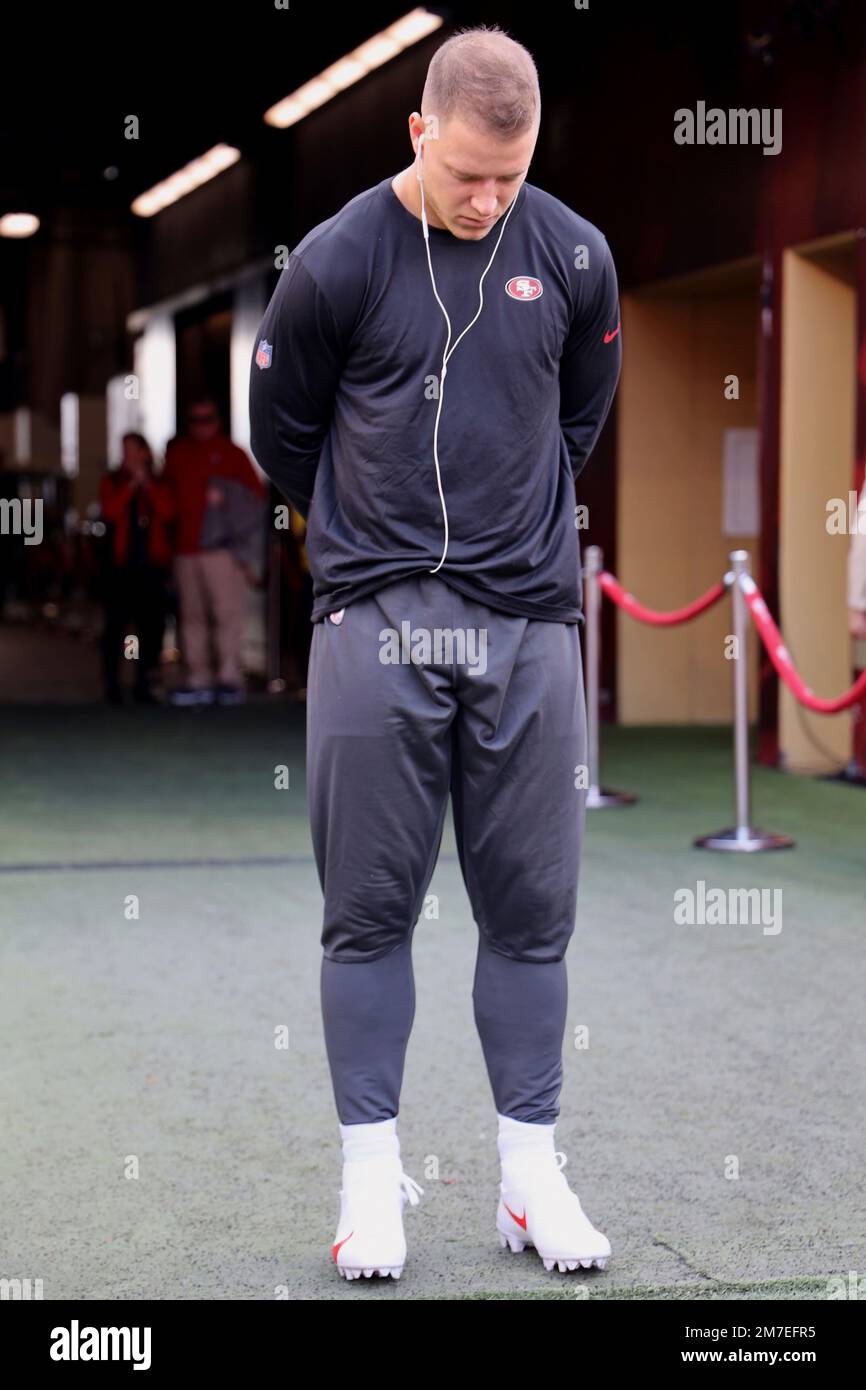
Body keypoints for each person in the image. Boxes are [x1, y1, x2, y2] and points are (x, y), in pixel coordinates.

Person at [250, 24, 622, 1280]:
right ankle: (370, 1187)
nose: (486, 200)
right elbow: (282, 436)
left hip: (528, 627)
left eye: (507, 178)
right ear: (419, 131)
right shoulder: (339, 259)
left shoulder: (573, 253)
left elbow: (572, 421)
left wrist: (501, 545)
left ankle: (529, 1182)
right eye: (466, 173)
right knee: (366, 917)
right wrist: (377, 544)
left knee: (532, 917)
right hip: (376, 622)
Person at [163, 399, 265, 705]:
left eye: (207, 419)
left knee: (226, 615)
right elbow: (167, 501)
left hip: (221, 551)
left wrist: (245, 553)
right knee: (192, 617)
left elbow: (255, 503)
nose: (201, 425)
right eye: (195, 419)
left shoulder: (233, 455)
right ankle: (198, 680)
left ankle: (229, 679)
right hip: (185, 550)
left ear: (217, 421)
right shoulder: (178, 455)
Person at [98, 433, 174, 704]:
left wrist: (148, 487)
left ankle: (146, 682)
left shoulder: (160, 482)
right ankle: (112, 684)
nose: (128, 456)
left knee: (151, 628)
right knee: (115, 628)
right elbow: (109, 511)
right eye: (124, 451)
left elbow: (168, 512)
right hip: (121, 568)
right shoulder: (113, 481)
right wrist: (131, 486)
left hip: (151, 567)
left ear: (144, 452)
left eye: (132, 450)